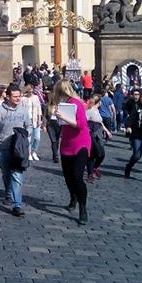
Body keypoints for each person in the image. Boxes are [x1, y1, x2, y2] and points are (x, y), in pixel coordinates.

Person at [0, 84, 31, 217]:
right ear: (8, 97)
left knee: (17, 176)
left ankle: (17, 205)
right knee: (6, 174)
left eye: (19, 96)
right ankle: (8, 193)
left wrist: (26, 135)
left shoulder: (23, 111)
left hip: (19, 149)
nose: (18, 98)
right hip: (3, 147)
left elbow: (28, 125)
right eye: (15, 96)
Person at [52, 79, 91, 225]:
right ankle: (72, 198)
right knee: (68, 176)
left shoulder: (76, 103)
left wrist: (63, 118)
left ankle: (82, 207)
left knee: (77, 176)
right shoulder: (63, 104)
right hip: (67, 143)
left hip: (80, 143)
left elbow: (81, 125)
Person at [85, 94, 112, 183]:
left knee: (101, 154)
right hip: (92, 134)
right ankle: (90, 174)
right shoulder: (90, 111)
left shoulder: (97, 110)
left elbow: (100, 122)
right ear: (99, 102)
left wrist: (107, 131)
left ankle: (94, 168)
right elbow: (84, 121)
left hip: (98, 135)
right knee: (92, 155)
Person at [21, 85, 42, 161]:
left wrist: (39, 119)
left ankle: (34, 151)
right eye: (29, 91)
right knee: (28, 138)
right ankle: (29, 153)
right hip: (27, 120)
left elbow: (39, 108)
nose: (31, 92)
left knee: (37, 137)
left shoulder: (36, 97)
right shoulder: (23, 99)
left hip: (35, 119)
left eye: (32, 91)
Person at [45, 100, 61, 164]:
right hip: (50, 124)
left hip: (58, 124)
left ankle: (54, 155)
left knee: (57, 141)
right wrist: (44, 125)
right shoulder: (48, 107)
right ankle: (56, 156)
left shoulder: (60, 107)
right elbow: (45, 116)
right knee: (53, 140)